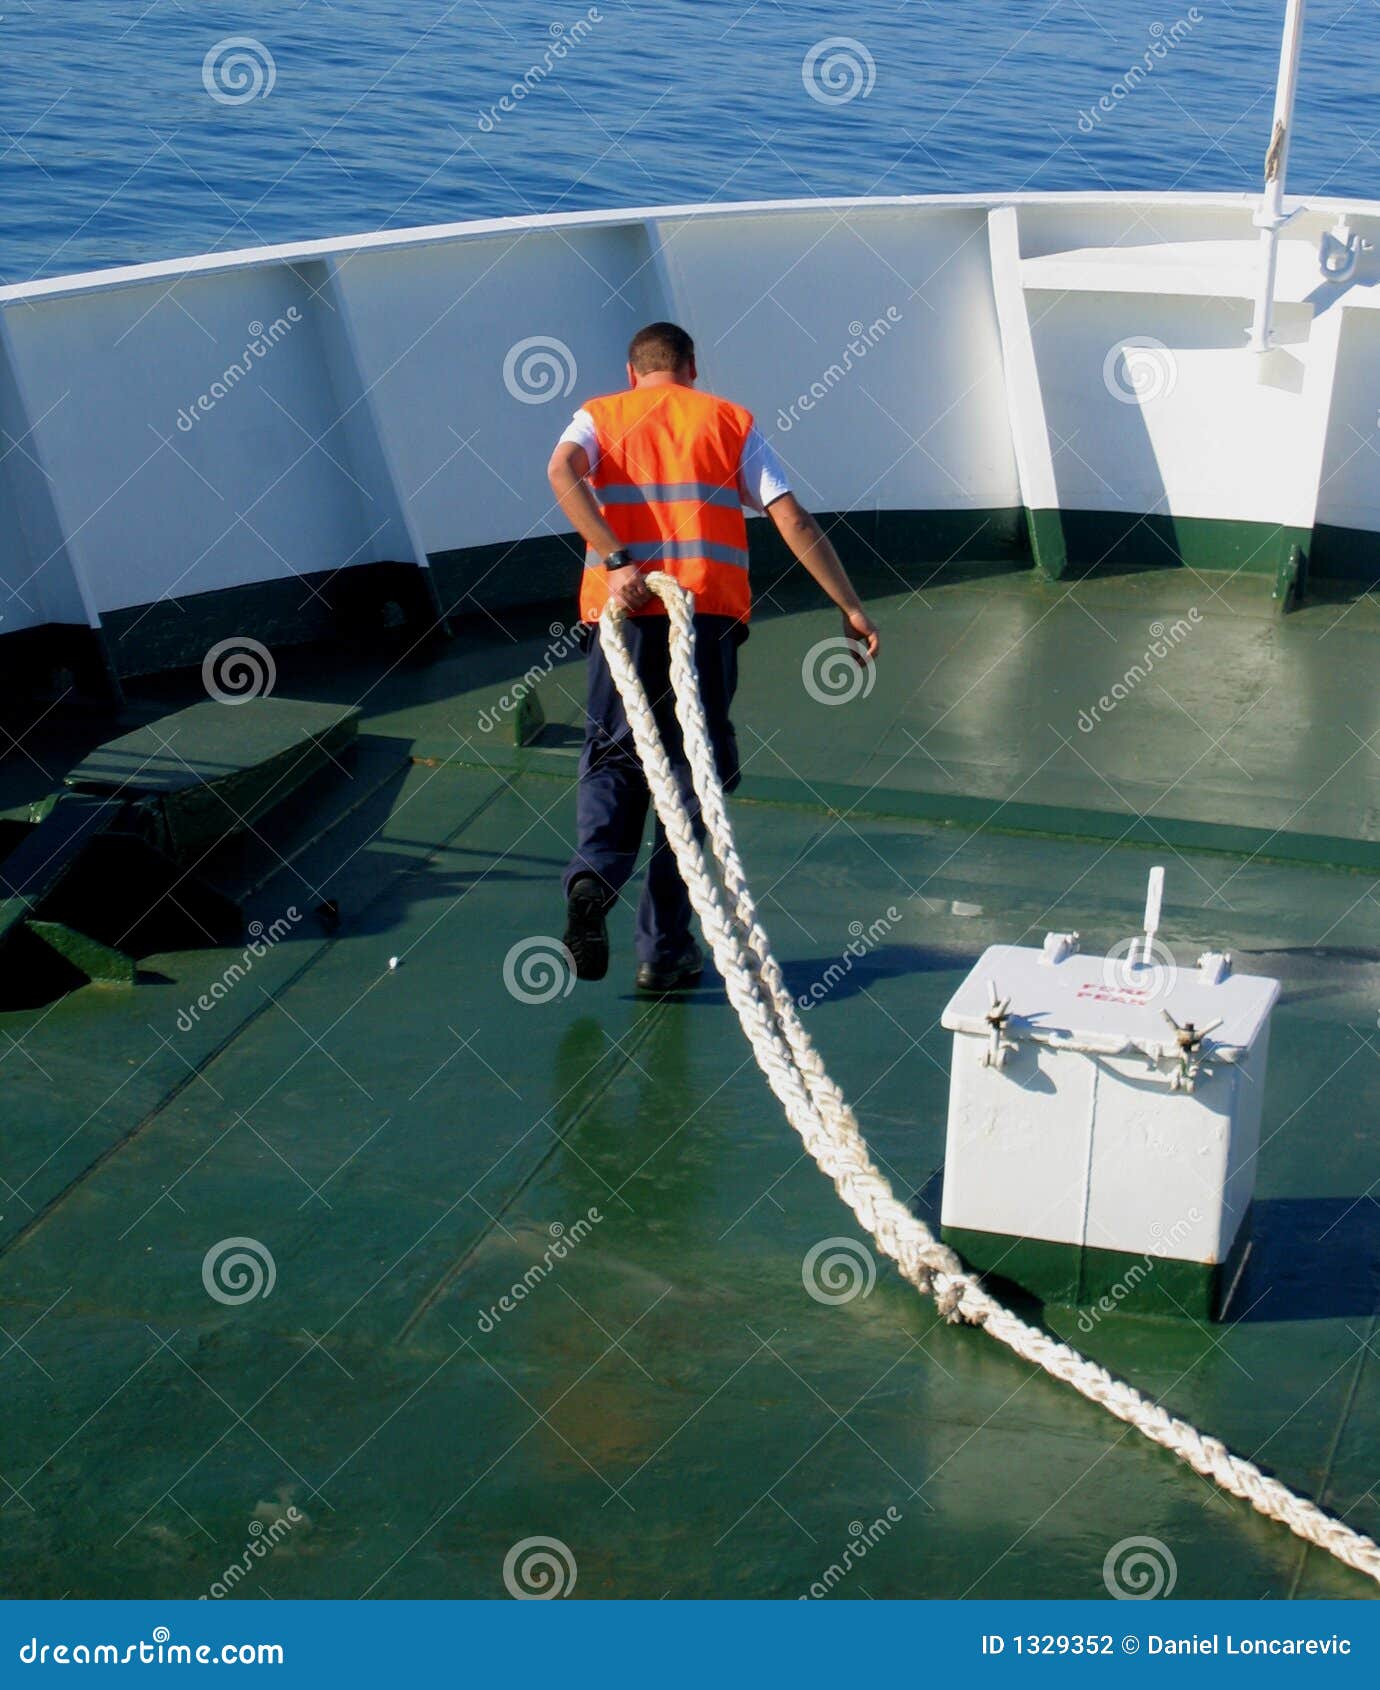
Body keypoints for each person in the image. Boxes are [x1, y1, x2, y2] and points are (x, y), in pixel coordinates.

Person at [547, 321, 879, 993]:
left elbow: (561, 473)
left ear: (631, 368)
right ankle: (664, 947)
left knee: (615, 757)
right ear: (691, 366)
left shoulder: (598, 416)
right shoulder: (729, 422)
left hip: (624, 620)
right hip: (704, 625)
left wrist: (615, 562)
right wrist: (849, 606)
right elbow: (792, 518)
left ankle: (592, 880)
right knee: (693, 773)